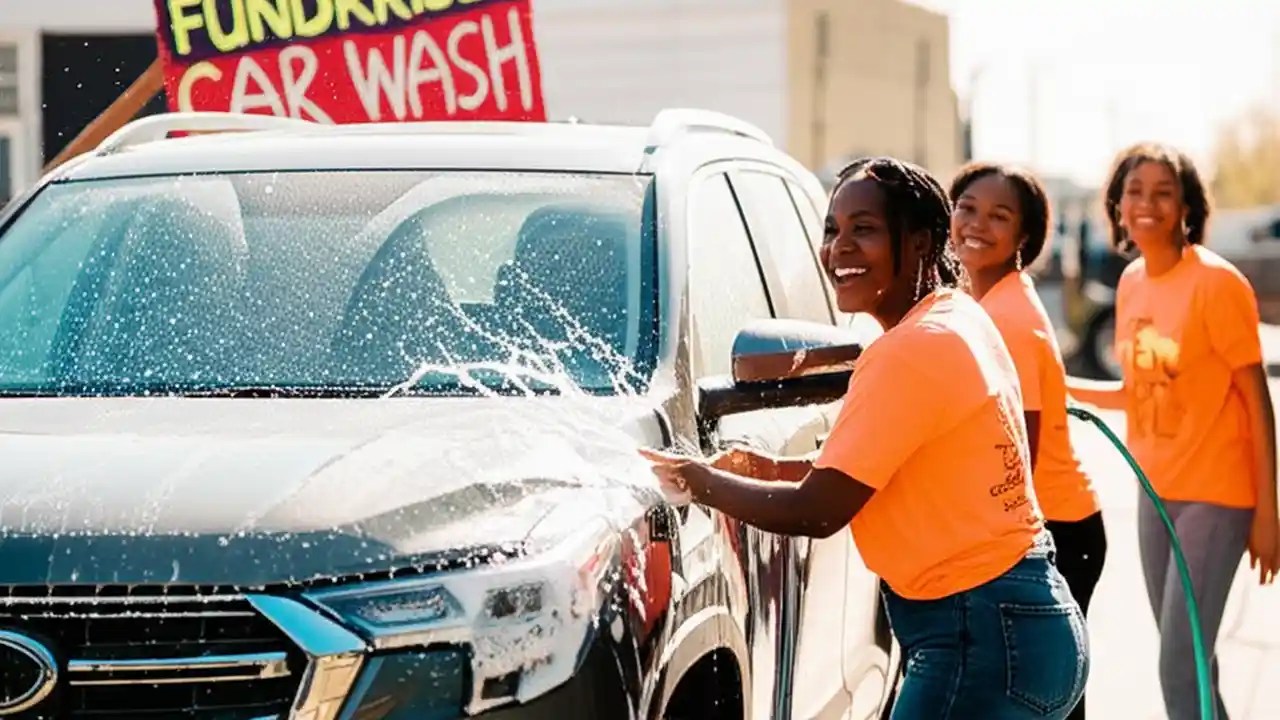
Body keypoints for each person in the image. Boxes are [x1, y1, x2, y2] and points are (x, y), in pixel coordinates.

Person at [641, 157, 1088, 719]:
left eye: (865, 230)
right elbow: (876, 470)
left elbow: (819, 511)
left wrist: (698, 481)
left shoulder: (910, 350)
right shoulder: (954, 317)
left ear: (921, 242)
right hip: (1018, 623)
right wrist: (765, 469)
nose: (840, 248)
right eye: (832, 230)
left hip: (979, 638)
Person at [1069, 143, 1280, 720]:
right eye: (1134, 191)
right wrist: (1059, 388)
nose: (1147, 204)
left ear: (1186, 205)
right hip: (1154, 488)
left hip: (1218, 494)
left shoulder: (1217, 284)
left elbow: (1259, 404)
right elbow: (1141, 393)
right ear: (1116, 206)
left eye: (1163, 192)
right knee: (1191, 657)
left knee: (1178, 664)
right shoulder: (1134, 282)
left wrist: (1268, 514)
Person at [950, 162, 1106, 720]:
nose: (977, 223)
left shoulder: (1008, 316)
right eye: (967, 207)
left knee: (1043, 698)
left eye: (999, 216)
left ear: (1024, 236)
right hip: (1052, 523)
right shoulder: (990, 301)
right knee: (1050, 695)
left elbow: (1022, 449)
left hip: (1053, 527)